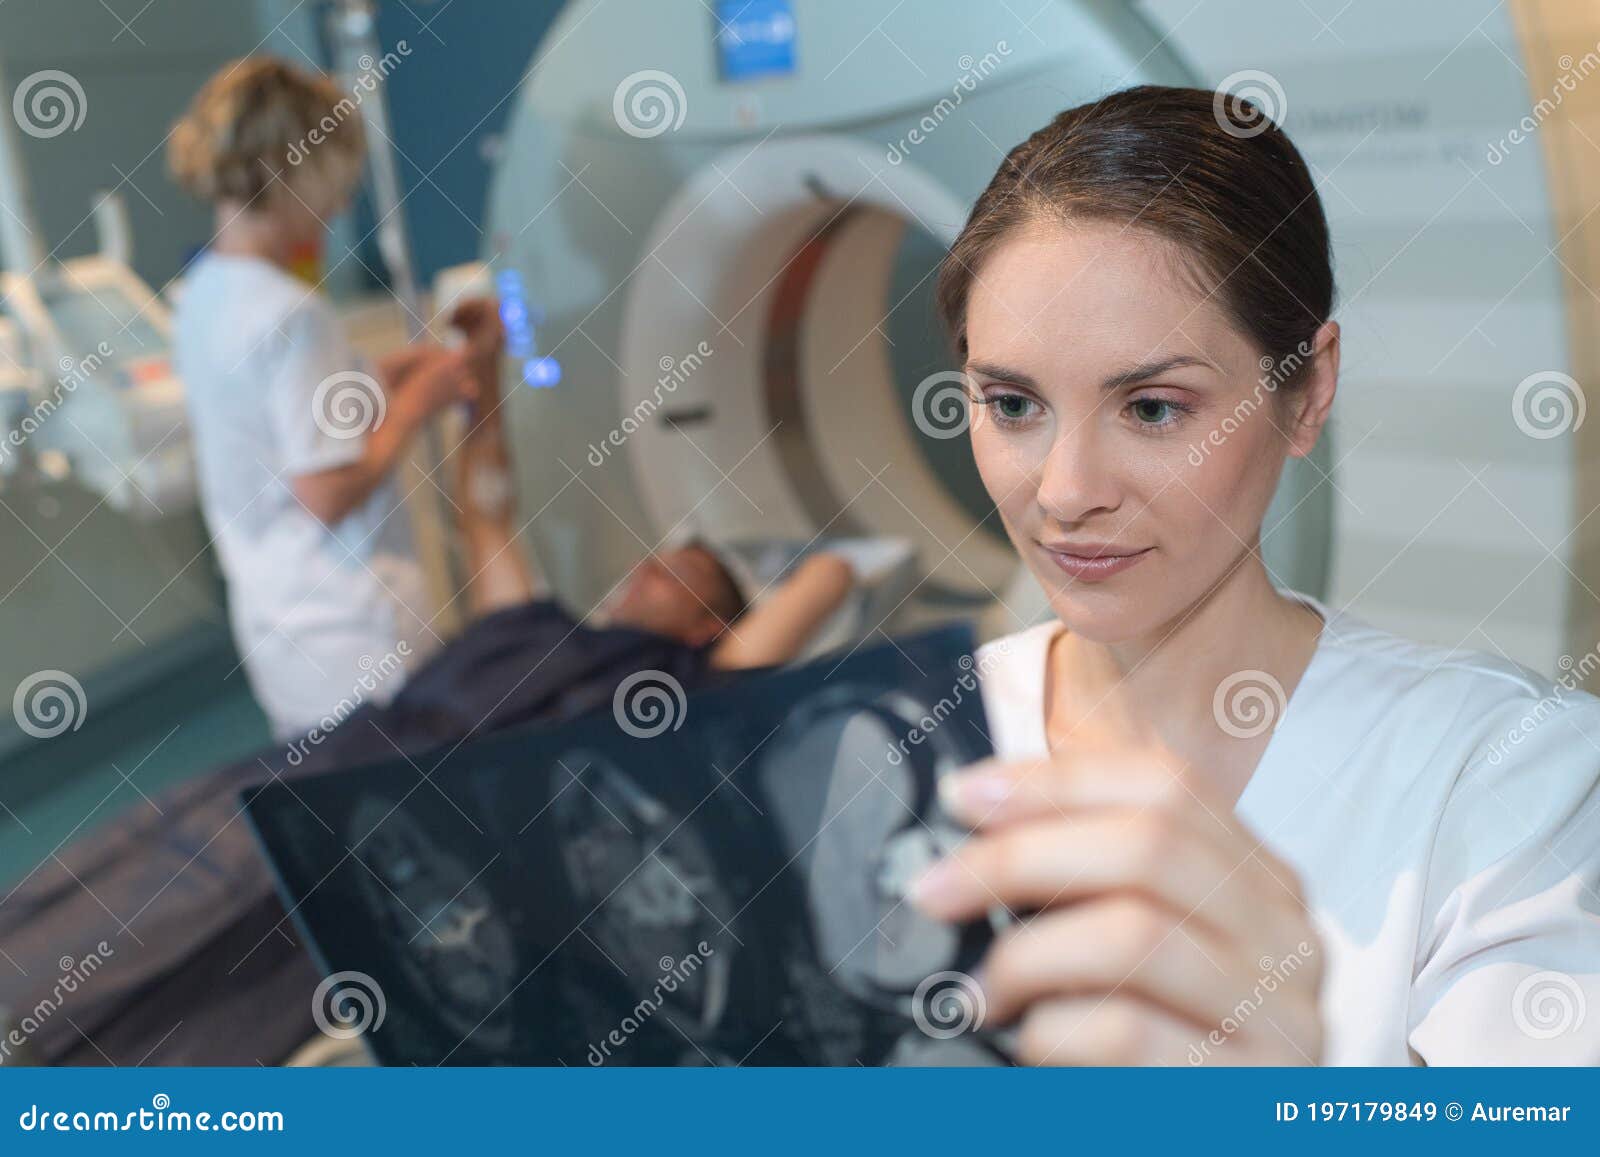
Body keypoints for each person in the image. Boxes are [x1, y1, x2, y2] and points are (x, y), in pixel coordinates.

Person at [908, 85, 1600, 1066]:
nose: (1066, 493)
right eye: (1012, 403)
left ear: (1306, 391)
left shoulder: (1501, 780)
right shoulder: (895, 744)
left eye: (1151, 408)